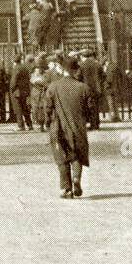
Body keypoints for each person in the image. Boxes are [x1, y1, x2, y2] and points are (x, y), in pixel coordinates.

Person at [46, 56, 92, 199]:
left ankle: (66, 188)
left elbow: (48, 108)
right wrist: (86, 121)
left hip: (58, 126)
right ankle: (77, 179)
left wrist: (48, 122)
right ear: (75, 69)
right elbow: (90, 109)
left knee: (62, 156)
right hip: (78, 126)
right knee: (77, 154)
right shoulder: (83, 87)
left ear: (62, 70)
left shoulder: (53, 86)